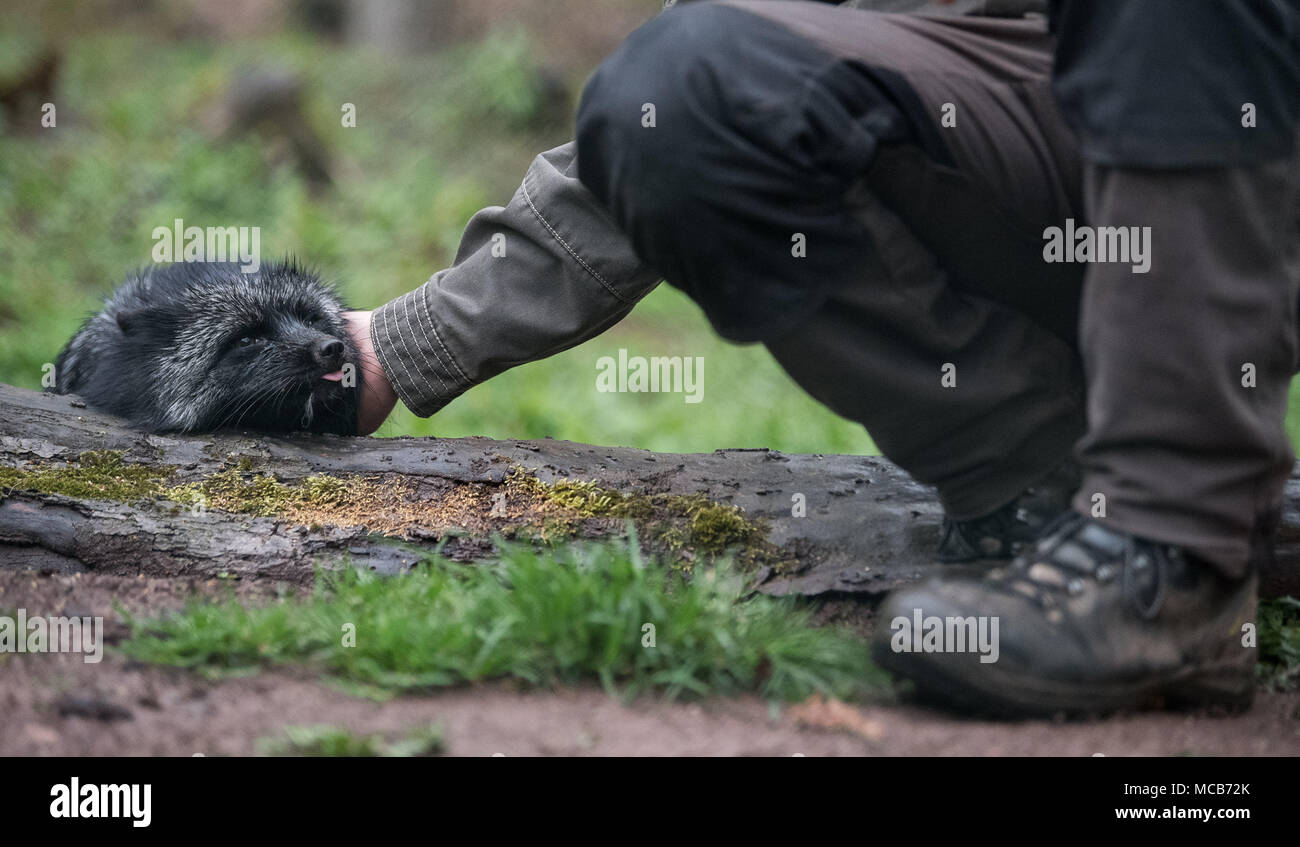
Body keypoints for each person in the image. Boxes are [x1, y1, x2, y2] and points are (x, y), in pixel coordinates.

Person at [343, 0, 1300, 715]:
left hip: (1263, 149)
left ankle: (1181, 528)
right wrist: (397, 346)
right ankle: (1054, 487)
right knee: (684, 92)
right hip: (1045, 124)